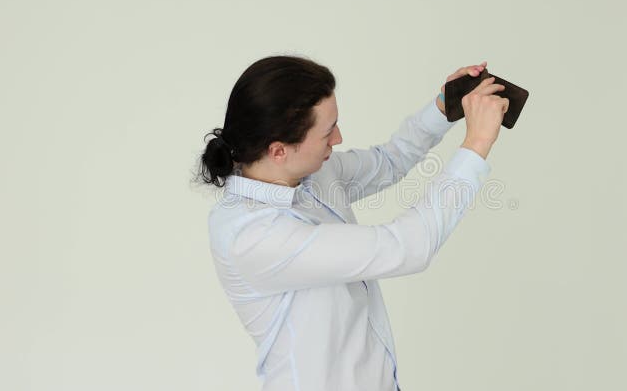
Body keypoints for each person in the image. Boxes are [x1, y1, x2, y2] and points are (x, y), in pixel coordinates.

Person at [197, 55, 509, 391]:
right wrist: (476, 145)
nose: (339, 138)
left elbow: (390, 160)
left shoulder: (310, 173)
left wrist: (444, 105)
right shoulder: (252, 235)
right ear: (278, 151)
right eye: (328, 131)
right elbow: (406, 247)